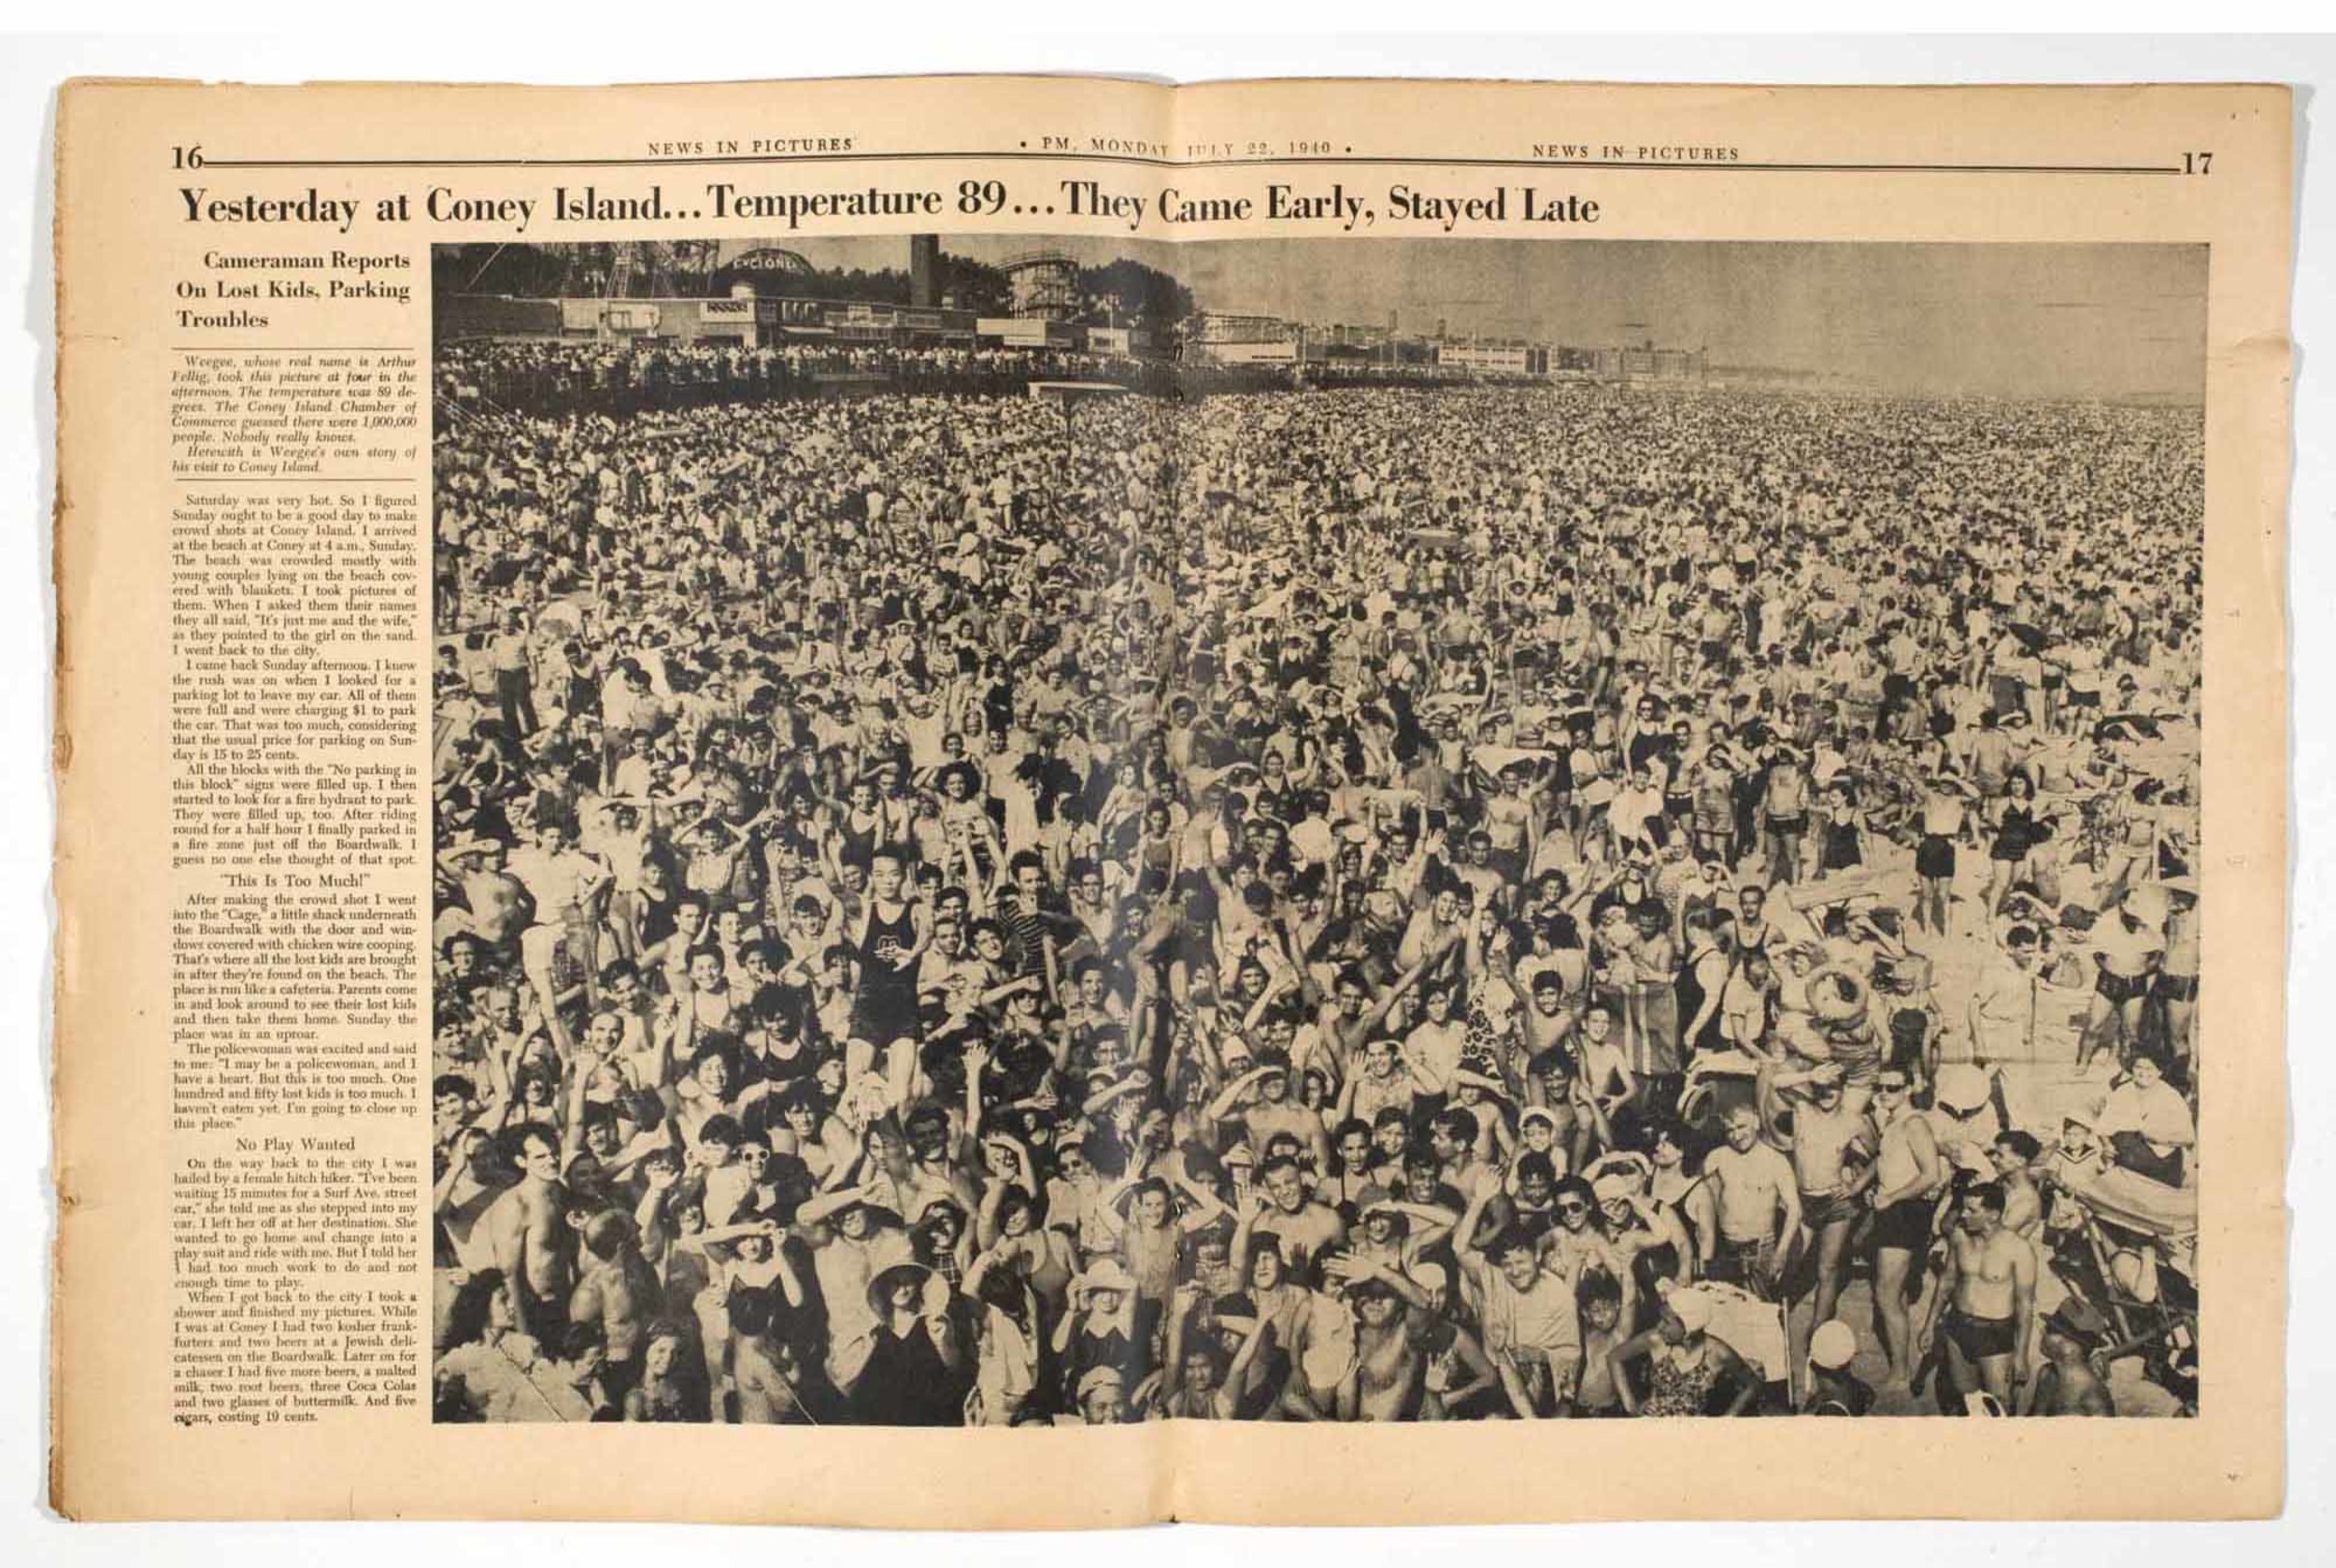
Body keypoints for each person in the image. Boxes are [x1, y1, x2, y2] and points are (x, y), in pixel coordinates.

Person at [1916, 1179, 2037, 1414]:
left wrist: (2021, 1354)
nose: (1963, 1214)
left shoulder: (2019, 1249)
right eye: (1964, 1207)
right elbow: (1946, 1282)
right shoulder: (1960, 1237)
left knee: (2000, 1403)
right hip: (1958, 1326)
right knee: (1967, 1399)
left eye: (1972, 1210)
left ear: (1993, 1215)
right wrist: (1929, 1325)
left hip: (1995, 1333)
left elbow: (2025, 1305)